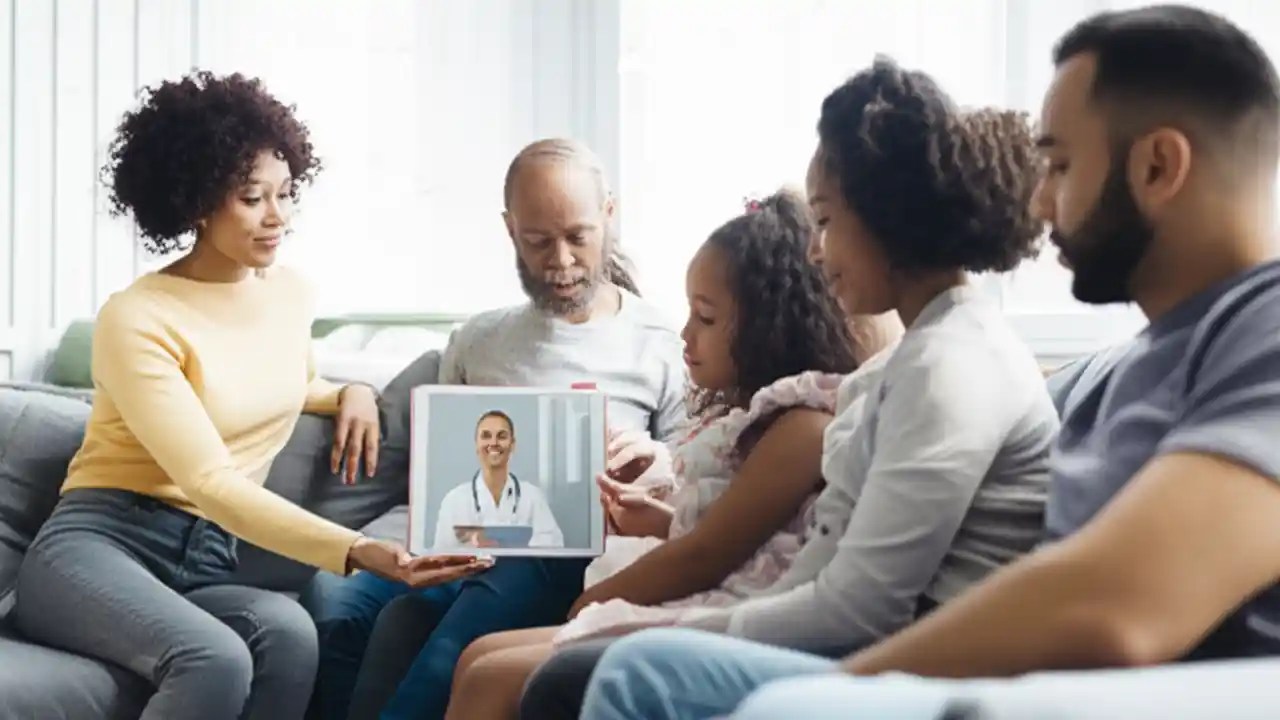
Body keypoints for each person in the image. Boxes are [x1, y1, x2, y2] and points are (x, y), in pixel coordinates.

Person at [579, 5, 1280, 719]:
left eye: (1061, 165)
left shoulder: (1266, 335)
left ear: (1158, 165)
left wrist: (839, 684)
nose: (1037, 200)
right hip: (1033, 679)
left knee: (648, 678)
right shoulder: (1128, 365)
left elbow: (1121, 606)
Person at [523, 56, 1061, 720]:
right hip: (859, 633)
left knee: (611, 671)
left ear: (887, 218)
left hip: (917, 658)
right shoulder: (911, 359)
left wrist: (664, 632)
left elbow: (859, 607)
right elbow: (820, 574)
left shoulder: (951, 365)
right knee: (579, 663)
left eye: (828, 222)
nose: (815, 251)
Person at [8, 71, 480, 720]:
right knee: (215, 658)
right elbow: (208, 479)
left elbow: (280, 382)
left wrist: (355, 392)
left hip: (203, 560)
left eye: (286, 194)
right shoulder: (138, 316)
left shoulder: (289, 294)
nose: (277, 217)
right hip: (100, 547)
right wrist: (358, 550)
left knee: (288, 634)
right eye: (252, 197)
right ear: (197, 201)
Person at [442, 189, 880, 719]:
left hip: (731, 613)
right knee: (479, 655)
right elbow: (736, 532)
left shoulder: (804, 426)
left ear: (769, 329)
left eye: (707, 318)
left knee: (492, 674)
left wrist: (590, 605)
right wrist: (661, 521)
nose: (685, 333)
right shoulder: (748, 419)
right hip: (711, 594)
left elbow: (706, 557)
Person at [301, 137, 688, 720]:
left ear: (609, 216)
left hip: (566, 550)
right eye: (538, 241)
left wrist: (650, 457)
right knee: (339, 604)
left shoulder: (662, 342)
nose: (560, 260)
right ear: (511, 231)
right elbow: (441, 461)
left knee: (454, 631)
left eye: (577, 237)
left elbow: (694, 470)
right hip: (463, 536)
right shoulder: (480, 339)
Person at [432, 411, 564, 549]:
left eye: (502, 436)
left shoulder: (533, 497)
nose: (494, 443)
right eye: (486, 436)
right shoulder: (454, 501)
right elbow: (442, 559)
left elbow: (553, 550)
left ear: (512, 444)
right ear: (476, 444)